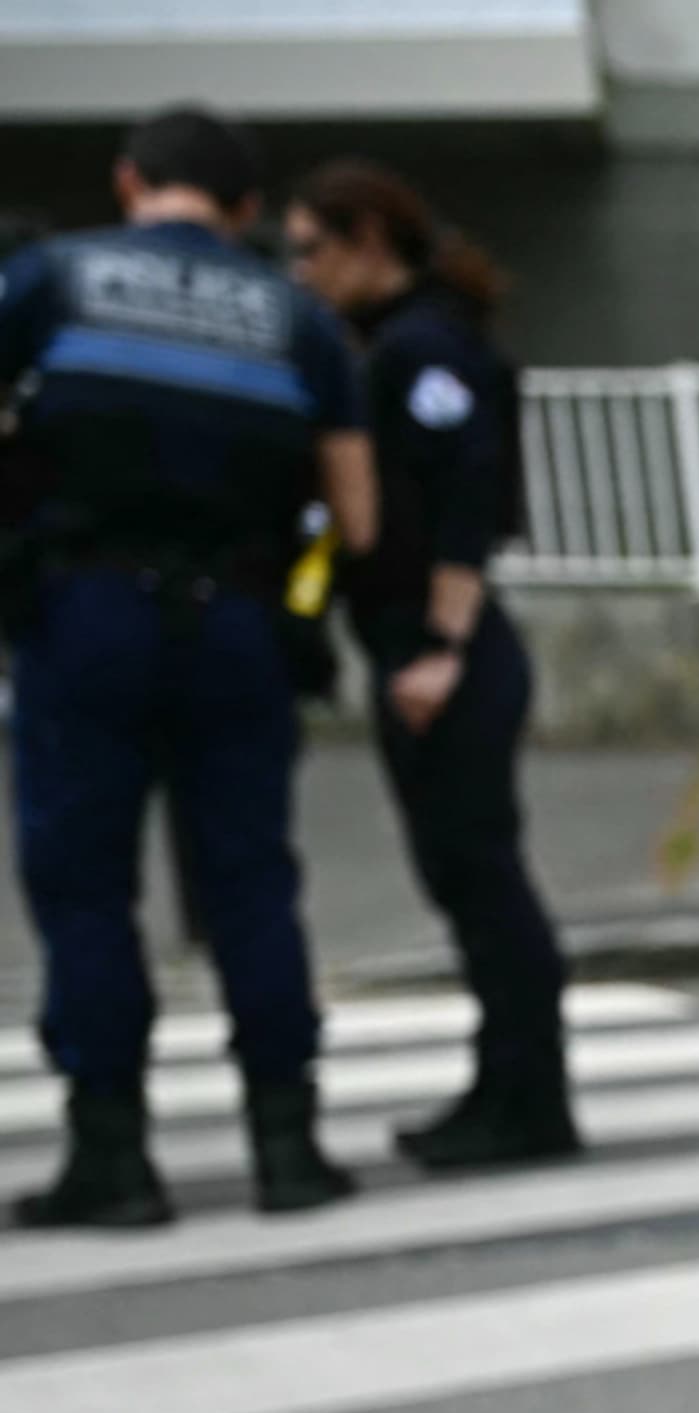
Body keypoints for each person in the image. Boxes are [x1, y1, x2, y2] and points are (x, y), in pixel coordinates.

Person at [0, 106, 370, 1228]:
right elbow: (353, 515)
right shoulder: (296, 319)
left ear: (128, 183)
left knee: (86, 887)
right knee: (251, 880)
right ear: (248, 207)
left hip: (84, 613)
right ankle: (286, 1143)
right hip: (239, 626)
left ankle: (114, 1158)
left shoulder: (51, 281)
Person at [284, 159, 580, 1171]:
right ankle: (506, 1083)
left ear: (368, 239)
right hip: (418, 642)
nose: (301, 271)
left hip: (442, 645)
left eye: (310, 249)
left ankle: (529, 1096)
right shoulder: (398, 343)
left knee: (481, 872)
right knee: (463, 872)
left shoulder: (425, 351)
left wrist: (442, 646)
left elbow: (467, 504)